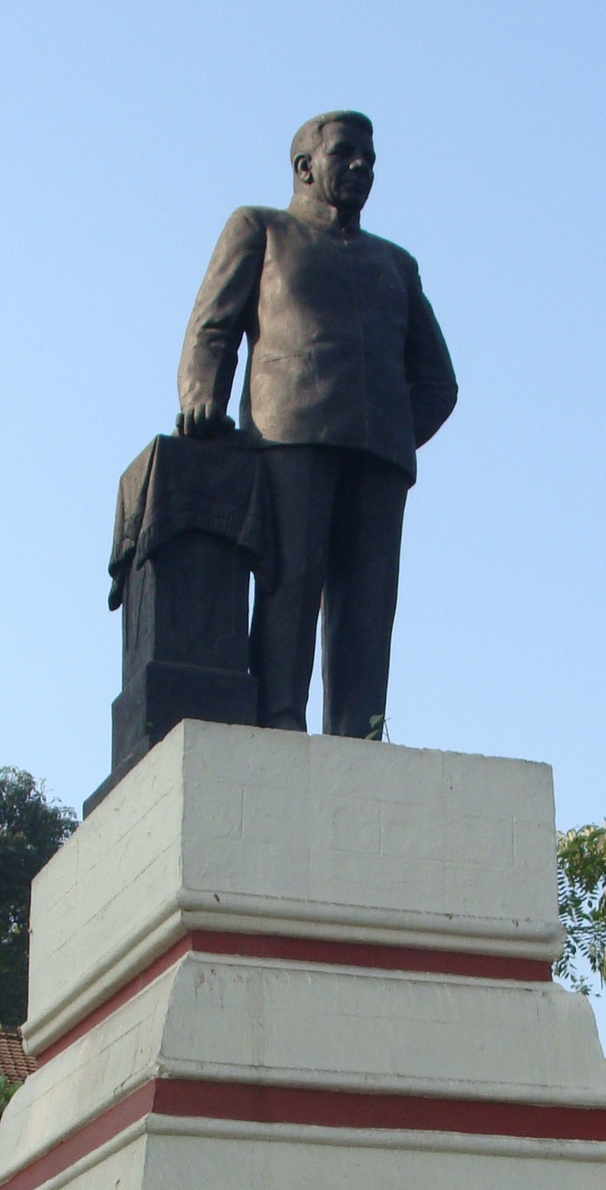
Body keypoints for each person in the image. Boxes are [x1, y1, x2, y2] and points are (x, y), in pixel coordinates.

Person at [177, 112, 458, 739]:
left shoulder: (396, 265)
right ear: (305, 166)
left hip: (377, 455)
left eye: (371, 160)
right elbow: (212, 327)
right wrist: (203, 399)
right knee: (291, 581)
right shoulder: (262, 230)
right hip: (288, 437)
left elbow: (439, 382)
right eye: (346, 154)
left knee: (367, 603)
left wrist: (388, 431)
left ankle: (361, 731)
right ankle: (280, 719)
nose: (362, 167)